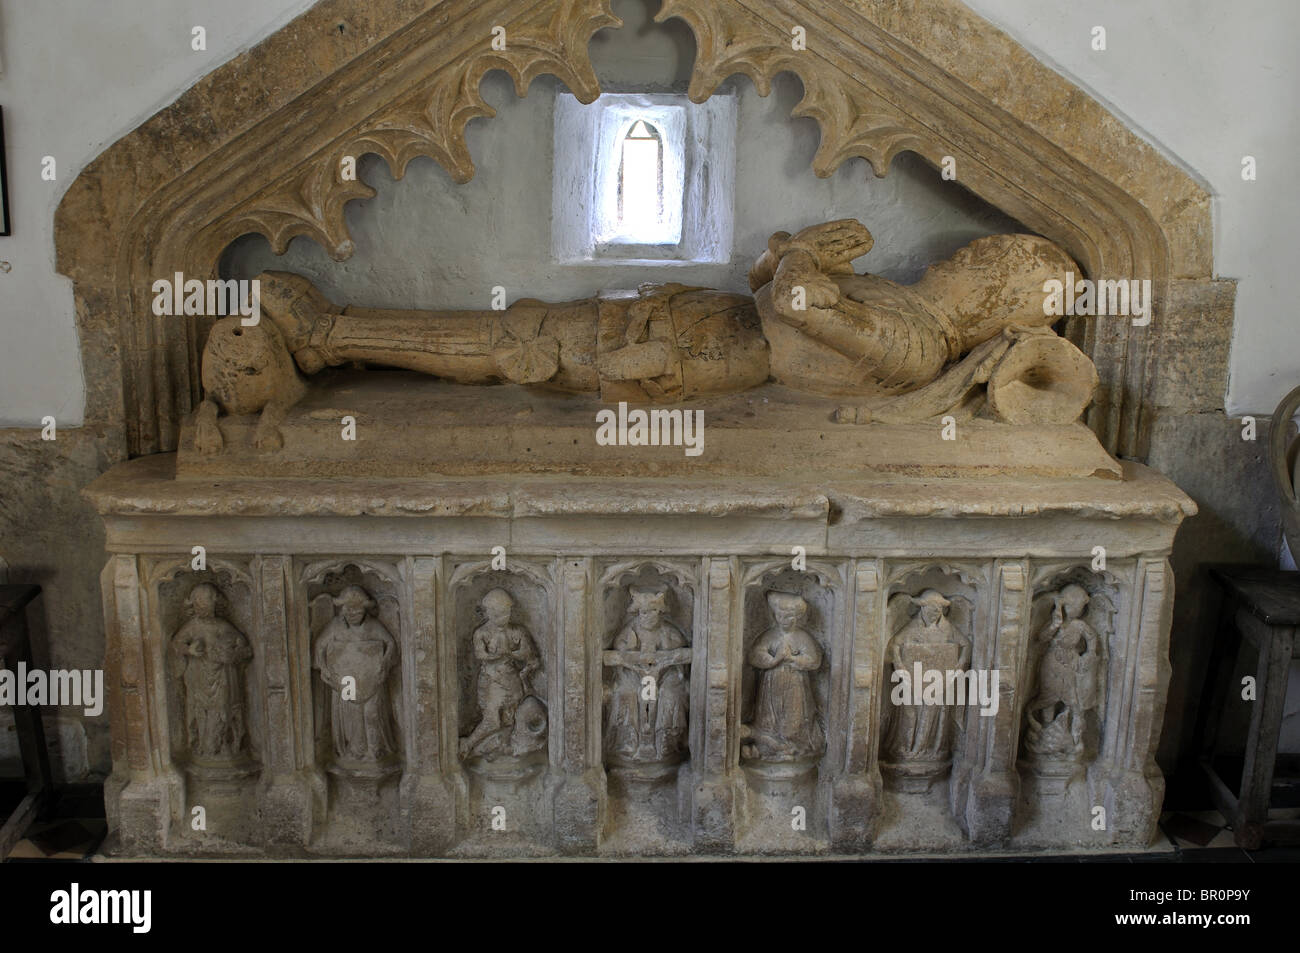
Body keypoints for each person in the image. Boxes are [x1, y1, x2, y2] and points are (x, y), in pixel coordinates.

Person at [603, 585, 691, 765]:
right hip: (634, 676)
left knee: (670, 696)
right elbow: (614, 655)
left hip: (665, 677)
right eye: (643, 612)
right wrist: (627, 654)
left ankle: (666, 742)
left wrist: (668, 657)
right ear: (637, 613)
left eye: (653, 611)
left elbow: (684, 655)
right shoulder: (630, 631)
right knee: (625, 694)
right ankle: (627, 741)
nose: (648, 616)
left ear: (660, 612)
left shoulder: (668, 631)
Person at [313, 585, 399, 767]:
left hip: (371, 680)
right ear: (343, 610)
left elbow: (390, 643)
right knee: (351, 715)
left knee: (371, 714)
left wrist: (383, 663)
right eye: (349, 610)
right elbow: (320, 646)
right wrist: (324, 669)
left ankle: (375, 750)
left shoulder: (372, 626)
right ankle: (355, 750)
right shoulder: (335, 626)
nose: (353, 614)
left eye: (358, 610)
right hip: (345, 681)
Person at [171, 583, 253, 762]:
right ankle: (202, 746)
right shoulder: (193, 626)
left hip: (222, 678)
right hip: (199, 678)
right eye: (198, 602)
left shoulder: (222, 626)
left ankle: (226, 745)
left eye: (206, 602)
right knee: (200, 711)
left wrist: (231, 654)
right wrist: (190, 650)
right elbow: (177, 643)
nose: (202, 606)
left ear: (215, 603)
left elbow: (244, 644)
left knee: (224, 710)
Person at [460, 588, 543, 759]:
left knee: (511, 717)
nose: (503, 618)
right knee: (492, 720)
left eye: (507, 613)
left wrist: (512, 653)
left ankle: (497, 748)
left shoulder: (516, 631)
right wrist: (501, 653)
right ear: (488, 613)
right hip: (492, 679)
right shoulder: (482, 633)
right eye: (498, 614)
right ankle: (468, 743)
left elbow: (527, 653)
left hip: (511, 678)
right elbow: (480, 654)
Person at [743, 591, 823, 762]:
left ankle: (792, 747)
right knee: (769, 718)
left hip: (795, 683)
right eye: (781, 616)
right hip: (771, 683)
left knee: (793, 717)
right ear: (775, 615)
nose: (784, 620)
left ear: (798, 618)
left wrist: (793, 658)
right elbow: (754, 655)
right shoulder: (770, 635)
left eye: (790, 617)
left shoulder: (802, 637)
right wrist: (773, 660)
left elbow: (814, 660)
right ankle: (768, 747)